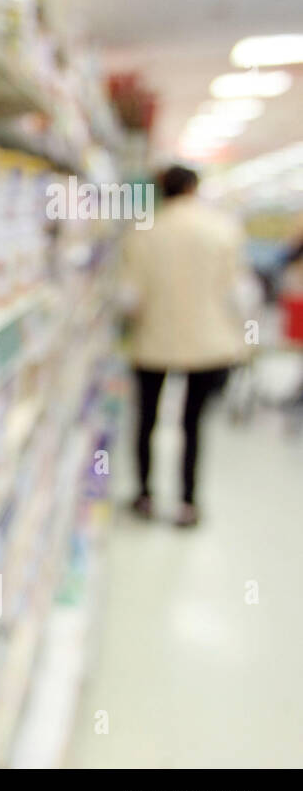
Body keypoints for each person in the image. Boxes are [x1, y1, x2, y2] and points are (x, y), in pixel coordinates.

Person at [118, 165, 249, 528]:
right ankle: (187, 503)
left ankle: (144, 495)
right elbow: (238, 293)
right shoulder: (223, 229)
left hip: (153, 342)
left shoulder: (143, 232)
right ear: (194, 188)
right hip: (209, 344)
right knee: (193, 424)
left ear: (162, 190)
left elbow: (130, 298)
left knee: (147, 420)